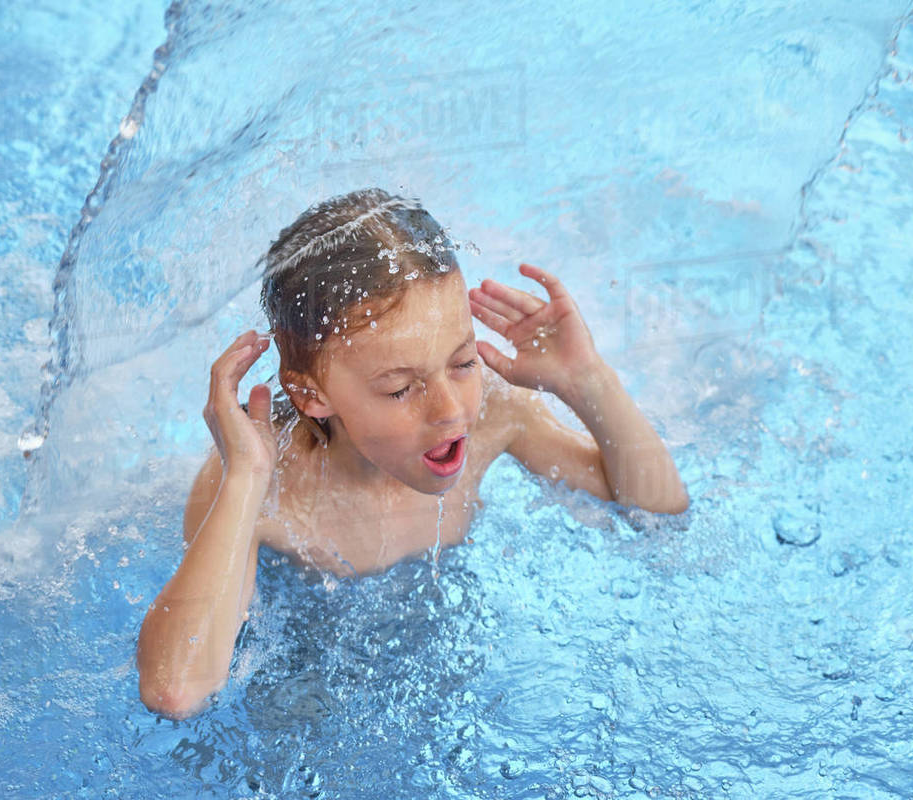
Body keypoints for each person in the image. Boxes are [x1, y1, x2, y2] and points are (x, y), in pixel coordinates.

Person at [137, 188, 688, 719]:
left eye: (463, 362)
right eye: (400, 389)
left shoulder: (496, 413)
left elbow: (655, 509)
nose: (450, 410)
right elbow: (177, 691)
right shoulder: (264, 483)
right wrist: (244, 480)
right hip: (304, 674)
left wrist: (588, 381)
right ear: (312, 394)